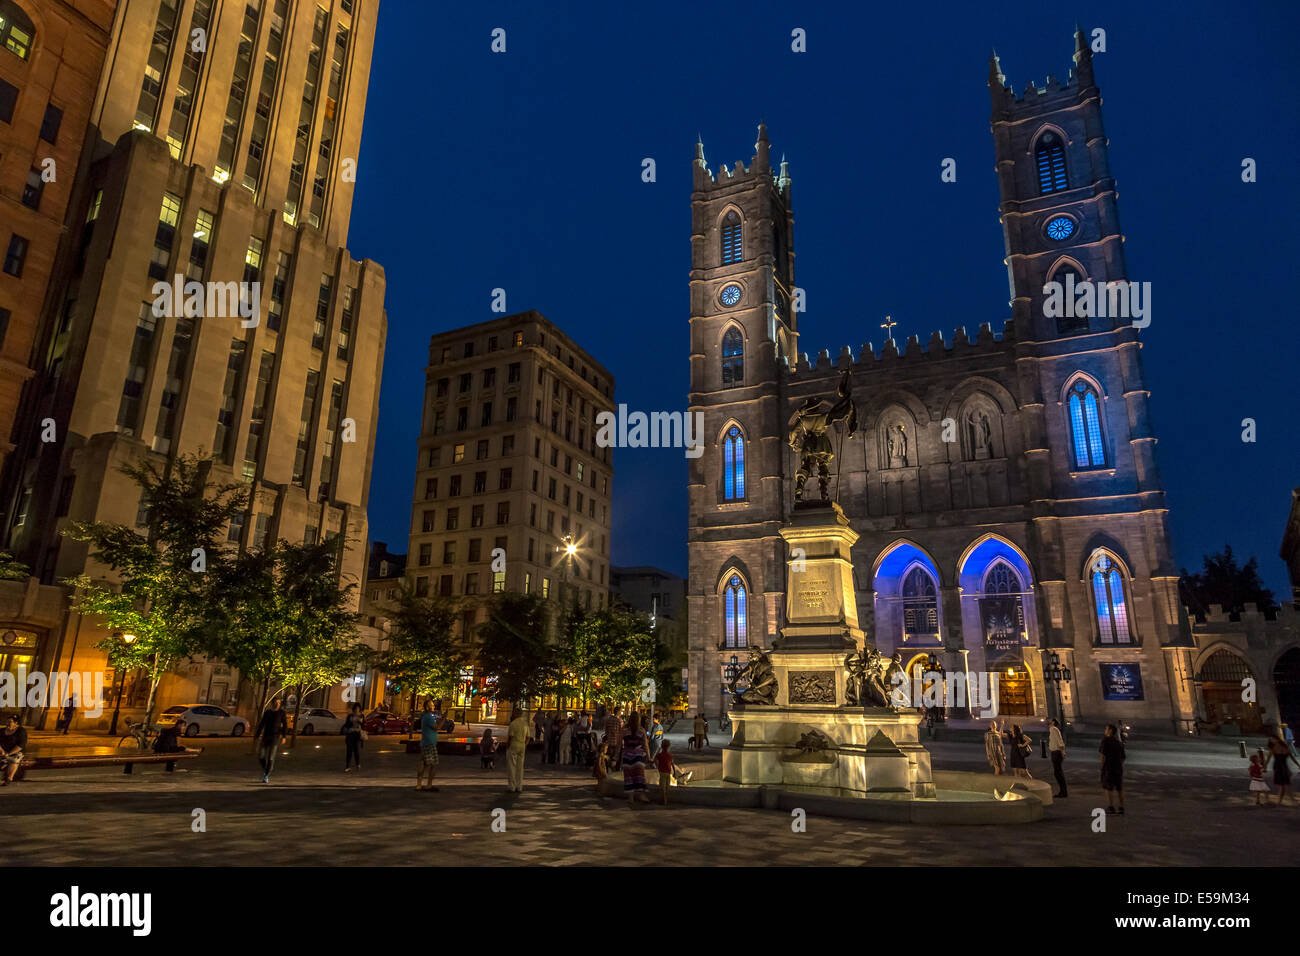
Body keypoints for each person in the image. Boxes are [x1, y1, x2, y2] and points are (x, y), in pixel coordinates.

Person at [622, 712, 652, 807]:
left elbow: (620, 744)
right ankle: (641, 795)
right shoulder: (641, 730)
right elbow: (645, 745)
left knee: (628, 777)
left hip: (626, 755)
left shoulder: (624, 730)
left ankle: (630, 798)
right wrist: (648, 756)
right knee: (639, 776)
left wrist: (615, 757)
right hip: (638, 756)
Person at [1264, 727, 1299, 806]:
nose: (1272, 741)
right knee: (1286, 785)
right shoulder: (1273, 749)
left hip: (1284, 767)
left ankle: (1280, 802)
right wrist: (1264, 767)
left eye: (1273, 739)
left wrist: (1298, 765)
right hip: (1278, 767)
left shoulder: (1285, 747)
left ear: (1277, 739)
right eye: (1271, 740)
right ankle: (1292, 801)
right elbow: (1268, 759)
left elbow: (1292, 757)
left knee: (1284, 785)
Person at [256, 699, 288, 783]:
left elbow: (285, 725)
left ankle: (266, 775)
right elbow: (262, 723)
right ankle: (266, 769)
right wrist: (257, 734)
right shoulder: (267, 712)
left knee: (271, 757)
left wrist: (284, 736)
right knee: (261, 755)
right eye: (276, 702)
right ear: (272, 703)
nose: (277, 704)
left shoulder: (281, 713)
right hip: (266, 736)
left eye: (279, 703)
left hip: (275, 737)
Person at [1099, 723, 1126, 814]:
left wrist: (1102, 767)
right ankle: (1121, 807)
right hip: (1118, 768)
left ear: (1110, 731)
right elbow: (1123, 757)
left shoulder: (1105, 741)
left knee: (1108, 787)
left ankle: (1111, 807)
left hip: (1108, 768)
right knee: (1119, 788)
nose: (1105, 731)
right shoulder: (1119, 743)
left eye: (1106, 729)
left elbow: (1103, 755)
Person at [417, 699, 440, 792]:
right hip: (429, 743)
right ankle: (429, 785)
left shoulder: (425, 716)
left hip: (425, 742)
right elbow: (436, 728)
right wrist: (444, 719)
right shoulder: (429, 717)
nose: (434, 706)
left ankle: (419, 784)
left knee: (423, 763)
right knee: (433, 764)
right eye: (432, 705)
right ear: (427, 707)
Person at [507, 707, 532, 792]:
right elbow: (528, 737)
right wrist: (525, 744)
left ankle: (512, 786)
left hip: (514, 744)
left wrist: (508, 746)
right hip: (522, 745)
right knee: (520, 767)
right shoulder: (525, 724)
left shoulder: (513, 724)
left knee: (512, 766)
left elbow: (510, 736)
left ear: (516, 714)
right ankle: (519, 786)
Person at [0, 714, 26, 785]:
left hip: (15, 752)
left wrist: (9, 754)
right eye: (7, 721)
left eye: (10, 722)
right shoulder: (2, 731)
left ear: (16, 723)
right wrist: (2, 751)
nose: (7, 723)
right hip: (3, 751)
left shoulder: (21, 731)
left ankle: (9, 778)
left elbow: (21, 745)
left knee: (14, 760)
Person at [342, 703, 364, 772]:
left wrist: (360, 722)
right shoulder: (350, 716)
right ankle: (347, 766)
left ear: (360, 709)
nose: (356, 710)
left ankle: (358, 764)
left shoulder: (361, 716)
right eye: (355, 708)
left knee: (356, 750)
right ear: (353, 709)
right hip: (350, 734)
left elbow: (363, 724)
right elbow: (346, 724)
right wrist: (346, 728)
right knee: (349, 751)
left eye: (358, 709)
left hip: (357, 735)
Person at [1048, 718, 1067, 797]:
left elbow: (1060, 742)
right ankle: (1062, 791)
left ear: (1053, 722)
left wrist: (1063, 752)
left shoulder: (1054, 729)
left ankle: (1063, 792)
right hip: (1055, 753)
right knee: (1057, 772)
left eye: (1050, 720)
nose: (1049, 721)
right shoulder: (1052, 729)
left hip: (1056, 753)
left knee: (1058, 773)